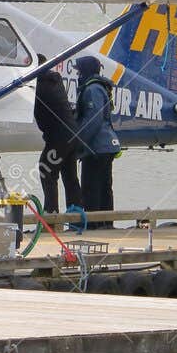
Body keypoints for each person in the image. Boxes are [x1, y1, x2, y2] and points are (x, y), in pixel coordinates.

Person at [72, 56, 121, 227]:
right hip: (106, 145)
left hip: (97, 147)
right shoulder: (100, 87)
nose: (77, 74)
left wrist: (78, 143)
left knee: (91, 187)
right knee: (104, 186)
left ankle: (94, 225)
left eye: (79, 71)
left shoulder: (92, 89)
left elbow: (93, 120)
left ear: (85, 71)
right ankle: (106, 224)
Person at [34, 59, 81, 213]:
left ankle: (51, 214)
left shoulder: (39, 86)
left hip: (58, 136)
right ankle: (76, 216)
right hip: (72, 133)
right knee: (70, 177)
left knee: (46, 170)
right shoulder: (55, 81)